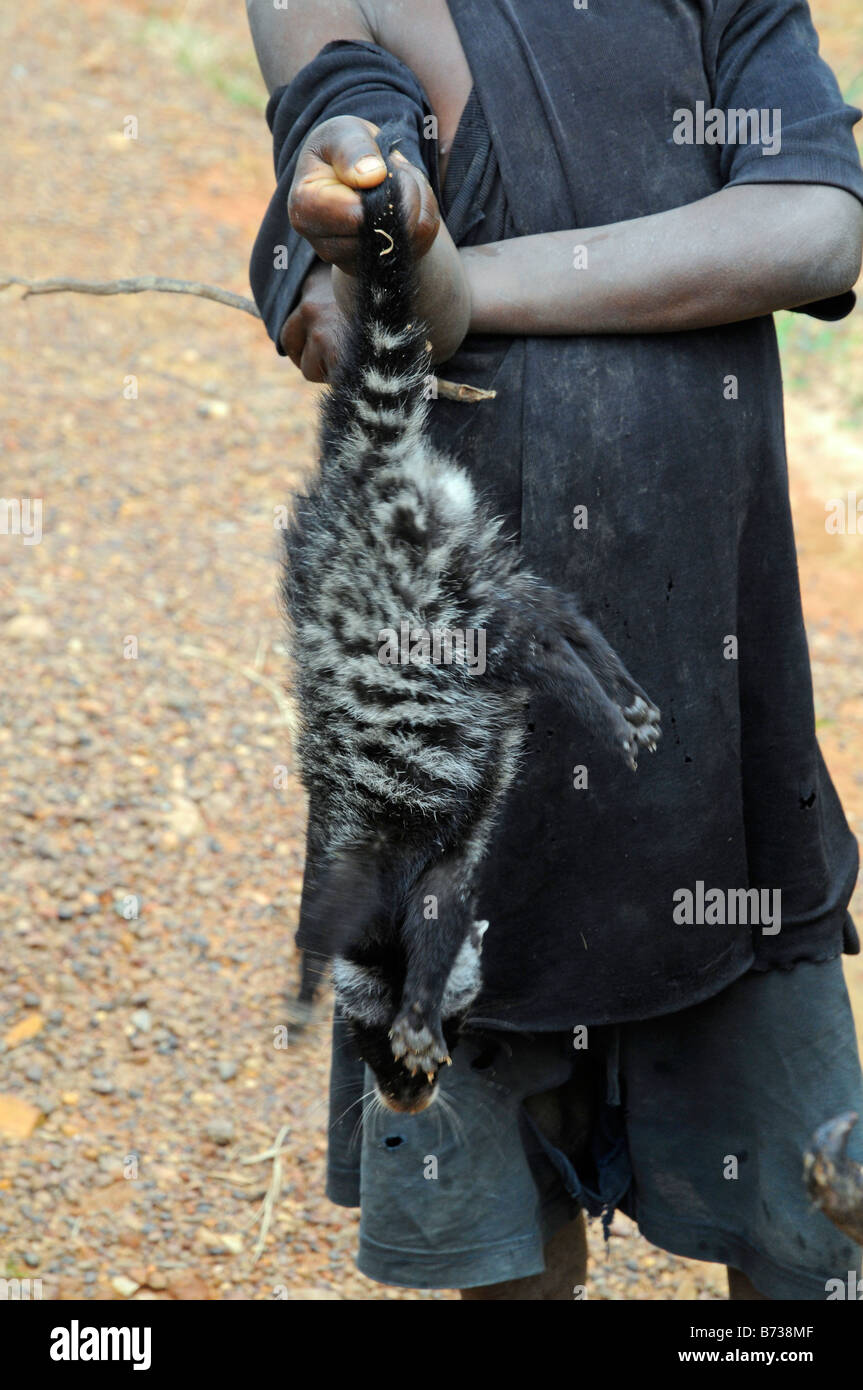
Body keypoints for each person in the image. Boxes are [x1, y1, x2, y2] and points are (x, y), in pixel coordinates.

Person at [246, 0, 863, 1300]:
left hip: (721, 765)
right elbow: (341, 133)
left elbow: (817, 215)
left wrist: (479, 287)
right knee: (507, 1253)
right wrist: (366, 235)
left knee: (807, 1239)